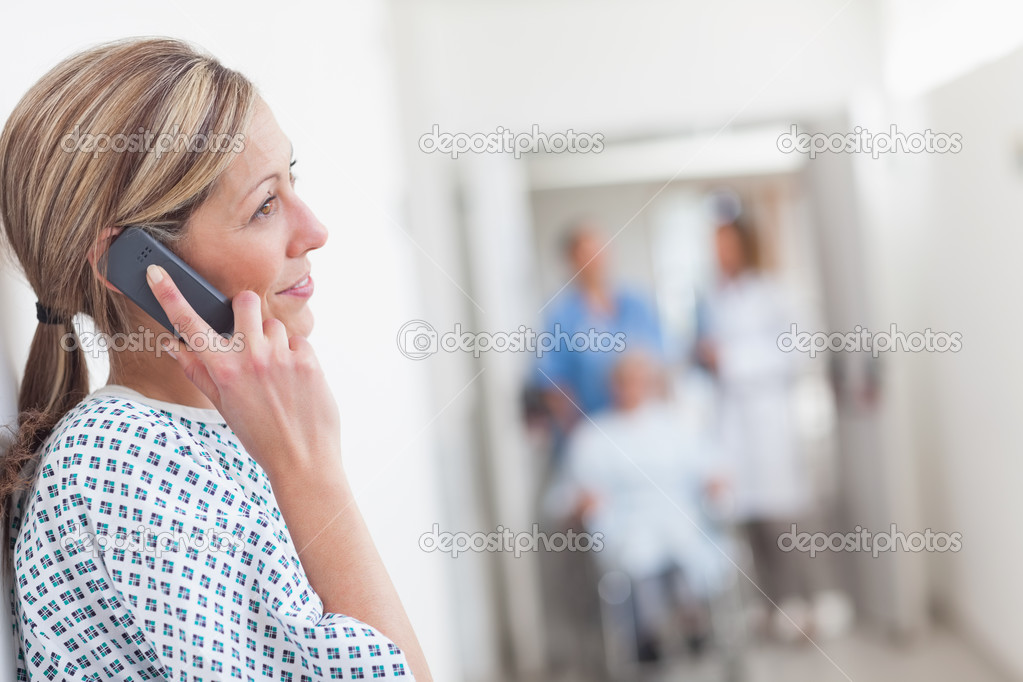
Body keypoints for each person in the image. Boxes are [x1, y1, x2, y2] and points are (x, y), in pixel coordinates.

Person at [0, 37, 431, 680]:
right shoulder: (121, 460)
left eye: (294, 180)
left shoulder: (222, 437)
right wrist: (311, 470)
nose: (314, 230)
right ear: (136, 266)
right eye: (264, 205)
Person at [695, 212, 850, 642]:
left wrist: (730, 359)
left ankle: (820, 598)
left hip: (770, 419)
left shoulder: (775, 293)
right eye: (713, 244)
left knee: (788, 519)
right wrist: (710, 359)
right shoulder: (713, 299)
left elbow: (799, 351)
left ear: (745, 244)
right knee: (751, 520)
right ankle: (779, 605)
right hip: (733, 423)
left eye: (725, 242)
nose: (718, 252)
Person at [545, 350, 732, 661]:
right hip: (626, 524)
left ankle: (692, 620)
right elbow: (562, 497)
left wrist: (716, 482)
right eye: (624, 382)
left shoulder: (677, 428)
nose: (632, 388)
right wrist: (581, 503)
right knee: (640, 555)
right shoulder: (592, 436)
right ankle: (651, 633)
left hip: (682, 519)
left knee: (682, 550)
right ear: (611, 386)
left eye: (639, 381)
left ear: (651, 384)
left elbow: (714, 467)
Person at [532, 220, 665, 467]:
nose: (596, 260)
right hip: (592, 431)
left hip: (643, 429)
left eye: (600, 250)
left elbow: (661, 365)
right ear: (571, 261)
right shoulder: (561, 314)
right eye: (586, 253)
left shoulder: (637, 303)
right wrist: (582, 439)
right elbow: (553, 385)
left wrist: (658, 424)